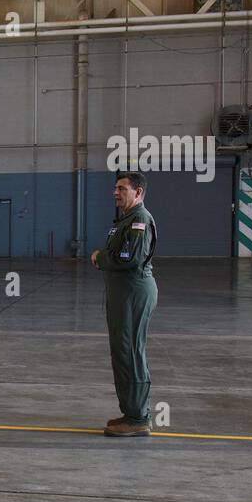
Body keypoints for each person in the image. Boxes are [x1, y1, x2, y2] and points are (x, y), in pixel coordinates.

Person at [93, 171, 158, 437]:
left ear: (138, 192)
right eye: (116, 188)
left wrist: (100, 258)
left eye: (122, 188)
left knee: (130, 351)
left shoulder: (139, 220)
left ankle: (139, 418)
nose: (115, 193)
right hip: (123, 294)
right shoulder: (126, 219)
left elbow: (127, 258)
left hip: (133, 292)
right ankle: (131, 412)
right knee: (122, 352)